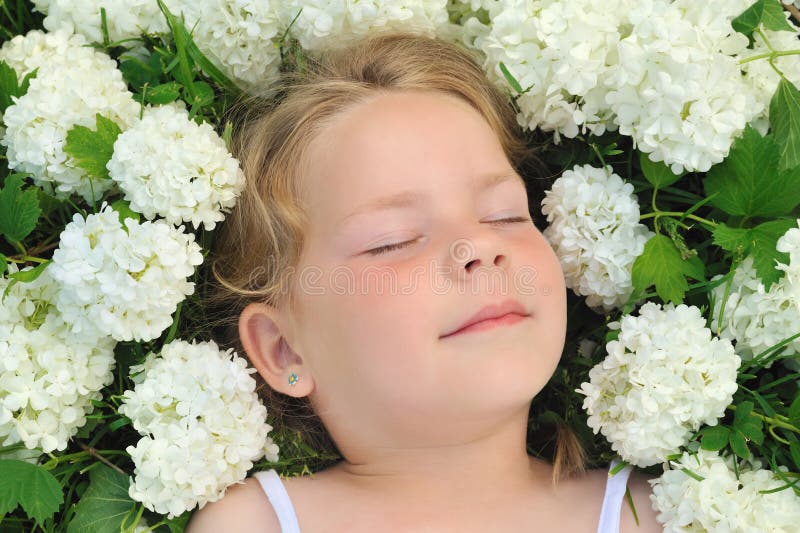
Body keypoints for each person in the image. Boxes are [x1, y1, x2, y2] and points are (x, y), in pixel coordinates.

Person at [186, 30, 662, 532]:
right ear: (284, 349)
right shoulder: (256, 524)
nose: (477, 246)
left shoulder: (650, 513)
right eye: (393, 240)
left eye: (504, 215)